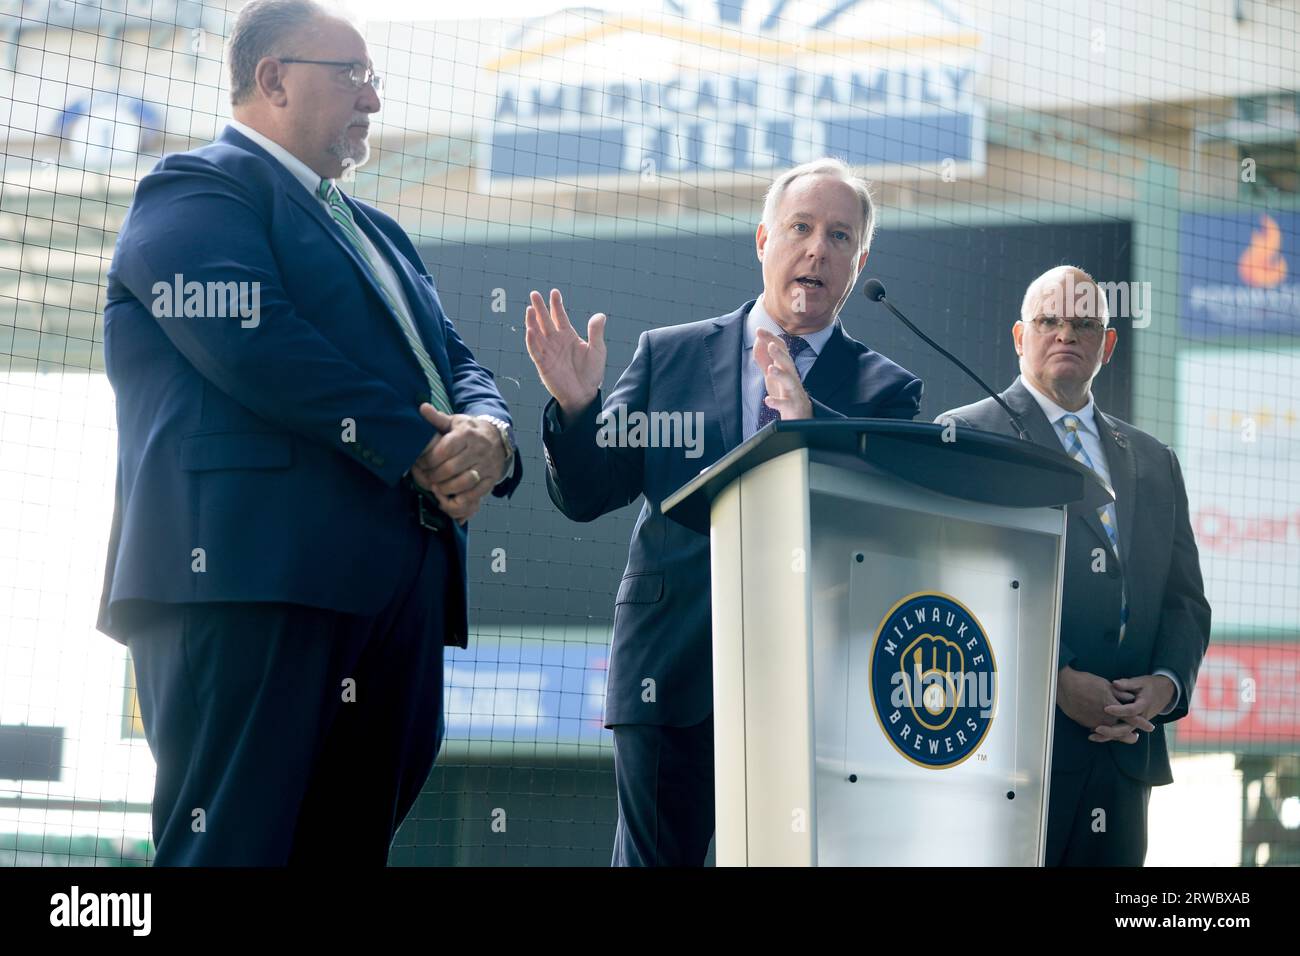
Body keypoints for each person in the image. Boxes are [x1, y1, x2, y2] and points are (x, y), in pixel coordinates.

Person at [96, 0, 522, 865]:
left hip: (395, 593)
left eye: (376, 80)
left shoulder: (382, 234)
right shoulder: (195, 186)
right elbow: (250, 336)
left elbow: (457, 362)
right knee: (236, 846)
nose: (373, 100)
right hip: (249, 579)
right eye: (354, 77)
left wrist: (490, 431)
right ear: (273, 78)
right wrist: (421, 446)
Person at [524, 158, 923, 866]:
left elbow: (889, 518)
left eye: (839, 236)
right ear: (762, 238)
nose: (817, 249)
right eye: (800, 227)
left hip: (811, 688)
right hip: (668, 669)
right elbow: (588, 496)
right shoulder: (668, 355)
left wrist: (810, 423)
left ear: (859, 262)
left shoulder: (887, 392)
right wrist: (580, 410)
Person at [938, 265, 1210, 866]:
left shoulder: (1152, 459)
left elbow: (1184, 600)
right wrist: (1052, 679)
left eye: (1084, 323)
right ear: (1019, 336)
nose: (1066, 334)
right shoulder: (965, 435)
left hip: (1122, 752)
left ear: (1106, 345)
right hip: (1007, 750)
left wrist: (1165, 686)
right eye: (1049, 321)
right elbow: (951, 590)